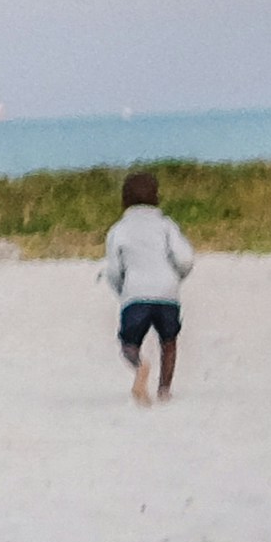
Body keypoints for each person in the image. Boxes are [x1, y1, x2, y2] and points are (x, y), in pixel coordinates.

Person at [102, 168, 195, 404]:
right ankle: (164, 389)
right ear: (156, 196)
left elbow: (113, 270)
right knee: (169, 342)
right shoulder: (166, 226)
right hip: (167, 291)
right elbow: (185, 258)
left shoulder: (119, 230)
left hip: (135, 292)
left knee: (129, 344)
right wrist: (176, 278)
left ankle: (141, 366)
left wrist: (122, 290)